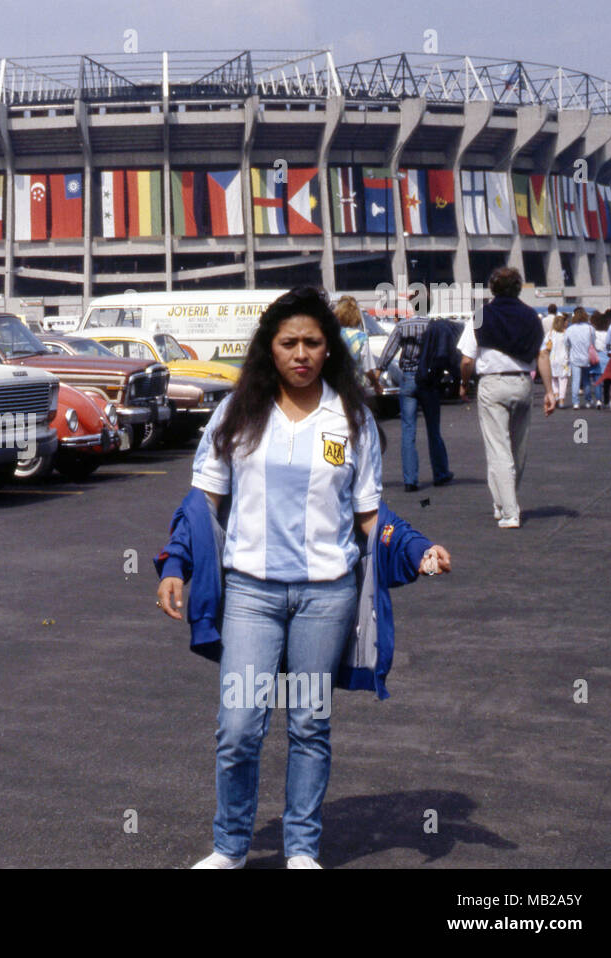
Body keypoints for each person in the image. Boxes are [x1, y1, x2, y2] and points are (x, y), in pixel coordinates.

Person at [155, 287, 450, 869]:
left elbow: (369, 515)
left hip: (325, 596)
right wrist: (173, 564)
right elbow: (203, 502)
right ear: (269, 347)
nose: (300, 353)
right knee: (239, 727)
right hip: (251, 594)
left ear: (328, 348)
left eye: (312, 342)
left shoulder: (351, 418)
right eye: (288, 342)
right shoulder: (237, 413)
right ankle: (230, 848)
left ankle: (302, 851)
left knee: (309, 724)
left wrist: (415, 548)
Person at [457, 267, 549, 530]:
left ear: (492, 289)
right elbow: (542, 355)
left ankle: (509, 511)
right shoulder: (532, 317)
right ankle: (502, 502)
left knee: (497, 448)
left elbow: (466, 360)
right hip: (522, 382)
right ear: (519, 288)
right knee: (517, 449)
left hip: (492, 383)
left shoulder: (480, 316)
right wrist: (551, 392)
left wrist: (464, 384)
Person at [376, 312, 451, 492]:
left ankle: (410, 480)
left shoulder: (402, 326)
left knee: (408, 431)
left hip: (408, 379)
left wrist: (378, 373)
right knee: (434, 430)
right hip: (429, 380)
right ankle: (440, 474)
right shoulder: (434, 326)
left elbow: (388, 352)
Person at [334, 296, 382, 395]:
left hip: (335, 387)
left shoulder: (331, 335)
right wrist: (376, 384)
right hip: (356, 388)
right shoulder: (361, 337)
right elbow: (367, 368)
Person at [563, 309, 596, 409]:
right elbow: (593, 342)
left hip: (574, 357)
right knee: (586, 380)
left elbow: (566, 343)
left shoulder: (570, 329)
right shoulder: (590, 328)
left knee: (575, 381)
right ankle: (588, 400)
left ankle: (575, 402)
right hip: (586, 357)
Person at [542, 314, 570, 410]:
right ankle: (561, 400)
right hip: (563, 359)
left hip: (551, 359)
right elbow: (569, 346)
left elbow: (545, 345)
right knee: (563, 380)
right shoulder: (566, 334)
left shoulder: (550, 334)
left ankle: (556, 395)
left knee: (553, 379)